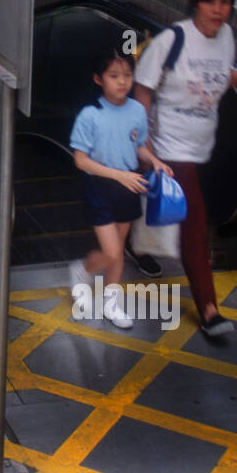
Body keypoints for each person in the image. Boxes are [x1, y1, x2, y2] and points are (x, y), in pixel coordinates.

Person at [133, 0, 237, 339]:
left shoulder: (225, 36)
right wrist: (143, 144)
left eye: (226, 2)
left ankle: (138, 242)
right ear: (196, 2)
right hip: (170, 145)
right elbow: (143, 91)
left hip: (205, 145)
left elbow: (221, 72)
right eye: (212, 1)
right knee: (195, 221)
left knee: (167, 207)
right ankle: (209, 308)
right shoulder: (171, 41)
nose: (219, 9)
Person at [68, 49, 174, 329]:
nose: (122, 82)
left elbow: (138, 146)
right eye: (114, 76)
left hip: (130, 185)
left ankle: (110, 302)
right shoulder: (90, 116)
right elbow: (80, 160)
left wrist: (155, 161)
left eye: (127, 75)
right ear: (98, 79)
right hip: (100, 187)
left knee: (117, 251)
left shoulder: (137, 110)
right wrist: (117, 175)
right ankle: (83, 270)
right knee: (113, 251)